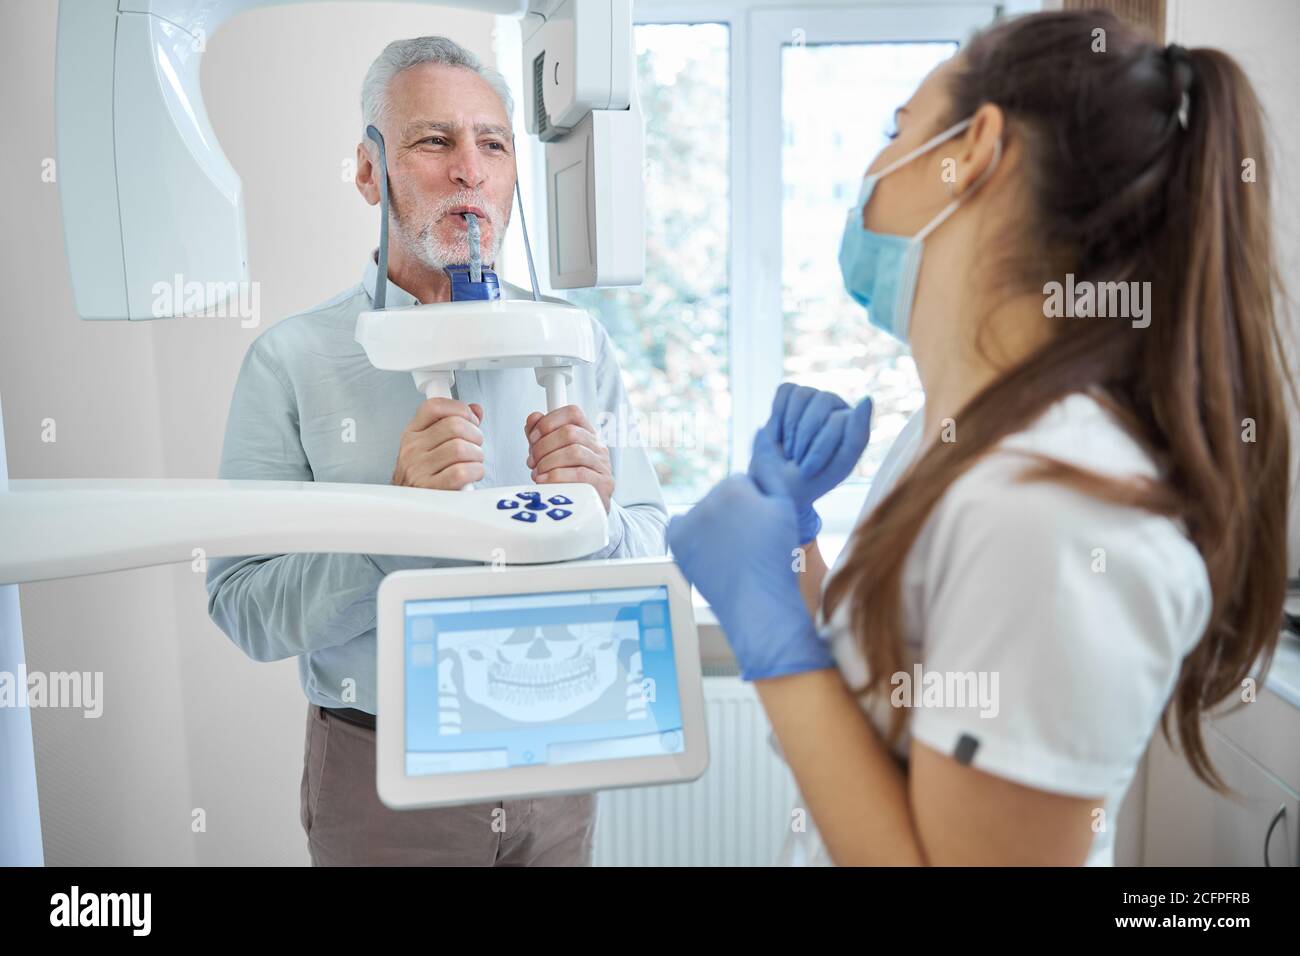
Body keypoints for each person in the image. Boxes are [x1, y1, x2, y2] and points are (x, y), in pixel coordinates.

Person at [668, 9, 1291, 866]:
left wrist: (767, 637)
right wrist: (791, 544)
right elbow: (886, 716)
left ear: (979, 150)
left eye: (899, 132)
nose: (874, 173)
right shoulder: (951, 436)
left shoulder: (1059, 502)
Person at [205, 36, 668, 866]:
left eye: (493, 144)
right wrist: (394, 526)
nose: (471, 171)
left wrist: (596, 521)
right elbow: (243, 607)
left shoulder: (572, 343)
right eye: (435, 141)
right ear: (367, 172)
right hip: (383, 775)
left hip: (560, 764)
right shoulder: (293, 359)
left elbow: (649, 542)